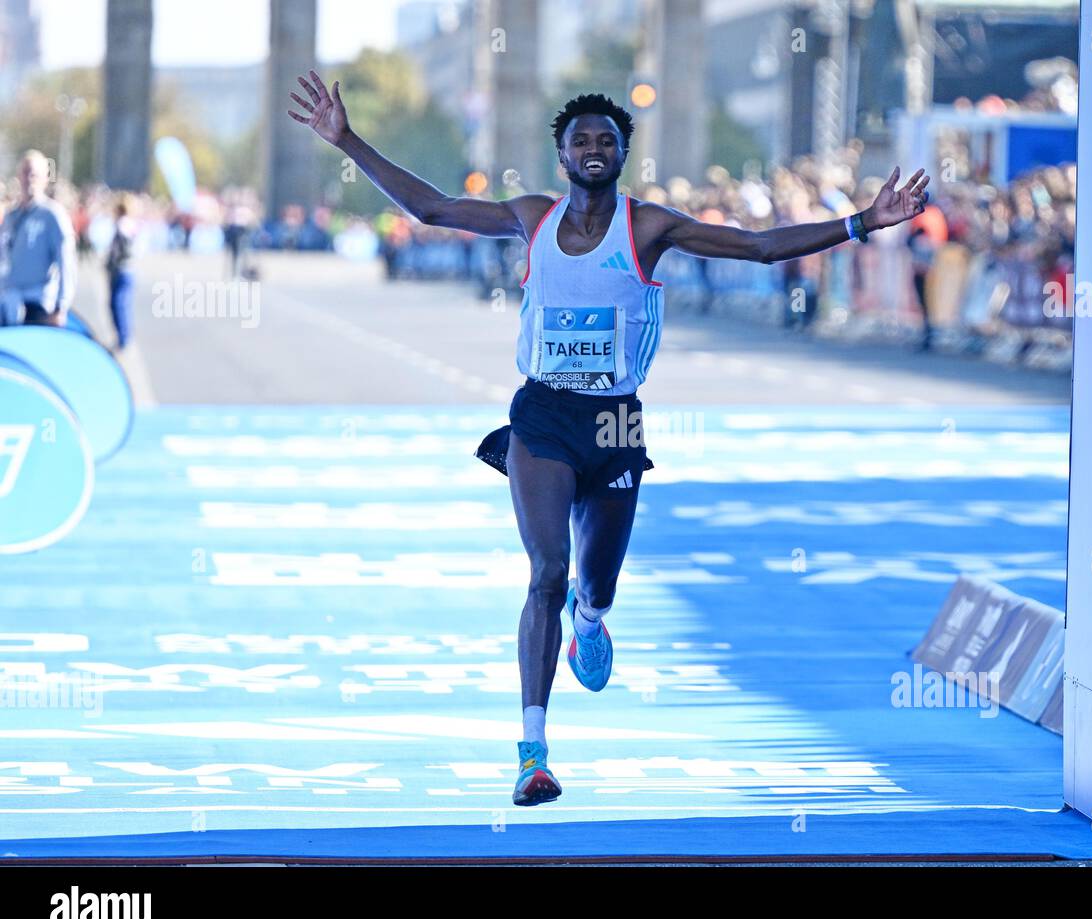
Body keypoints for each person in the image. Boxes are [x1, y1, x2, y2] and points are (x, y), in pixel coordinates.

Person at [287, 70, 929, 806]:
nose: (593, 148)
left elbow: (756, 247)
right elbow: (431, 207)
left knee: (594, 586)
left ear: (622, 152)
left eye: (606, 139)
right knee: (546, 574)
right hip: (543, 415)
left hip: (617, 419)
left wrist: (862, 221)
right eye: (579, 140)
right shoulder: (532, 216)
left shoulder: (648, 226)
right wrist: (348, 140)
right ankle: (533, 753)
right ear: (561, 156)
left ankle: (590, 621)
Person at [0, 150, 77, 327]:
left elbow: (66, 262)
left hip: (38, 305)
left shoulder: (52, 215)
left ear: (45, 178)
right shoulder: (12, 216)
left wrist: (61, 306)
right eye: (25, 173)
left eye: (34, 174)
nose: (29, 179)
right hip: (9, 302)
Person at [105, 197, 135, 352]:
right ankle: (123, 337)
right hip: (125, 269)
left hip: (121, 269)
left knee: (118, 303)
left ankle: (123, 338)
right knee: (119, 303)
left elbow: (121, 248)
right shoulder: (129, 224)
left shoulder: (122, 225)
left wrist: (111, 262)